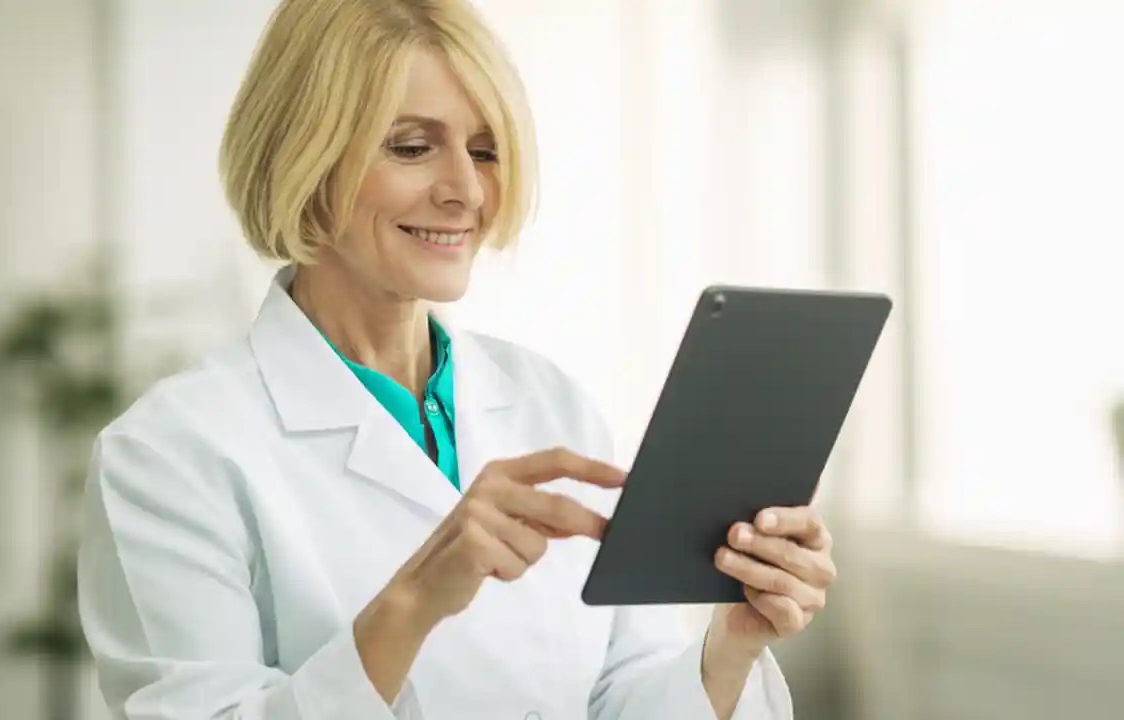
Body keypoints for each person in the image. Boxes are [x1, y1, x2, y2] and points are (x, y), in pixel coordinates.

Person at [77, 1, 836, 718]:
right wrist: (412, 603)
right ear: (301, 155)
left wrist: (728, 652)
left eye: (485, 151)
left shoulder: (550, 402)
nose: (466, 191)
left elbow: (615, 696)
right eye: (412, 148)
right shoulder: (171, 454)